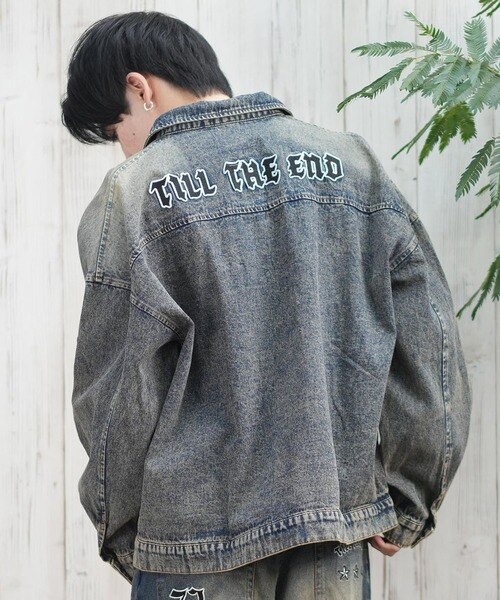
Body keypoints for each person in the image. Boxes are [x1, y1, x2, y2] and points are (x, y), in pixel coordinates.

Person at [60, 10, 472, 600]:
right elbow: (429, 337)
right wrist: (411, 492)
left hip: (192, 538)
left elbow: (115, 397)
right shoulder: (354, 165)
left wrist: (124, 532)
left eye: (114, 128)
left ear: (139, 88)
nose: (123, 150)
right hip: (332, 524)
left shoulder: (133, 196)